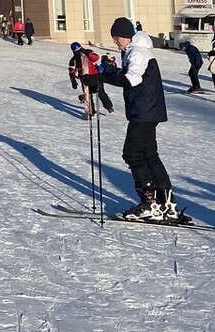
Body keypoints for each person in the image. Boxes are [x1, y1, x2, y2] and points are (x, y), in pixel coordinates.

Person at [99, 17, 180, 222]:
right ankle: (166, 204)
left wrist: (103, 78)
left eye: (116, 37)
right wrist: (110, 71)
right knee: (149, 155)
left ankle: (149, 204)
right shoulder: (135, 51)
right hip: (146, 111)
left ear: (126, 36)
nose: (115, 41)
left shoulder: (138, 52)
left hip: (144, 112)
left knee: (132, 154)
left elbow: (132, 79)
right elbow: (130, 74)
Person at [68, 43, 114, 116]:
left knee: (101, 94)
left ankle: (109, 107)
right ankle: (90, 112)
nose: (78, 52)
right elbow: (71, 70)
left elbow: (96, 58)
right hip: (84, 79)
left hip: (95, 76)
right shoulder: (74, 59)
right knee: (88, 96)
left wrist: (85, 52)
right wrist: (73, 80)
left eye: (79, 50)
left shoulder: (88, 52)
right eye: (76, 51)